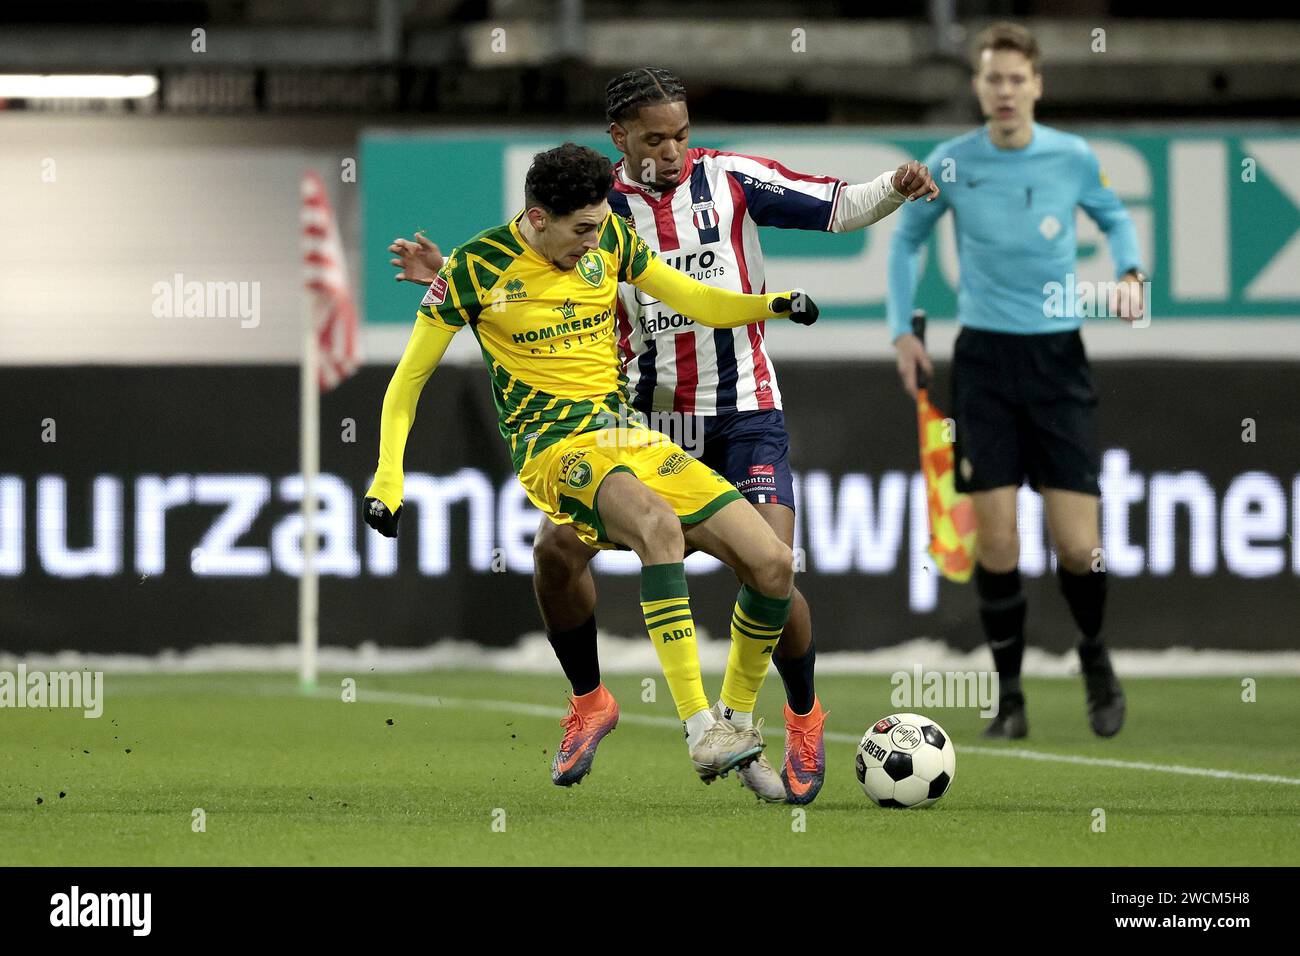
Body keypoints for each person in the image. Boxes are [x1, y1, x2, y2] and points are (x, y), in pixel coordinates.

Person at [388, 67, 939, 803]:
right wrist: (448, 278)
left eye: (682, 133)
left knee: (772, 570)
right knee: (556, 555)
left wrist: (894, 188)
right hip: (638, 416)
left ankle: (790, 715)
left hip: (742, 410)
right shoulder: (598, 208)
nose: (673, 150)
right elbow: (522, 268)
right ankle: (594, 701)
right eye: (655, 138)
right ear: (619, 139)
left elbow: (839, 208)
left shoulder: (730, 179)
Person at [364, 142, 823, 787]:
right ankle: (700, 731)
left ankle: (734, 718)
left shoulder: (609, 241)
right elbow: (406, 382)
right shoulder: (475, 268)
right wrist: (388, 477)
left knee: (774, 565)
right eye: (580, 228)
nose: (593, 238)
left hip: (624, 433)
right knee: (657, 527)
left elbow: (693, 298)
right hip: (555, 450)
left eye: (600, 223)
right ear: (538, 217)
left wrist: (770, 305)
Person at [888, 22, 1145, 739]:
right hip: (986, 364)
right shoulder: (953, 162)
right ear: (978, 86)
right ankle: (1010, 698)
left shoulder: (1071, 156)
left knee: (1076, 545)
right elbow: (907, 240)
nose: (1004, 91)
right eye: (991, 79)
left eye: (1015, 78)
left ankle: (1094, 656)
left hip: (1058, 360)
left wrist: (1130, 273)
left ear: (1037, 85)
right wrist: (903, 329)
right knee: (996, 543)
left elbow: (1115, 216)